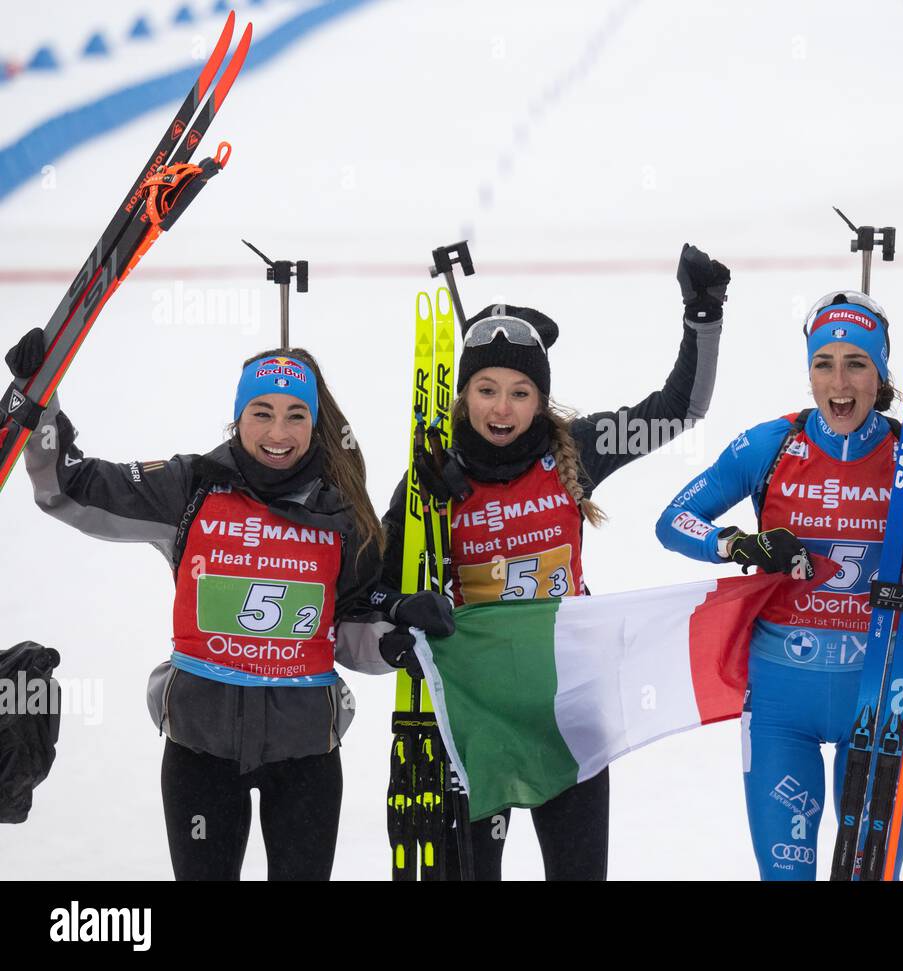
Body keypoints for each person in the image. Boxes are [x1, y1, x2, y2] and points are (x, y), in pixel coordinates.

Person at [6, 332, 445, 880]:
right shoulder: (190, 488)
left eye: (295, 416)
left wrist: (391, 643)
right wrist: (38, 402)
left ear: (315, 424)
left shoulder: (342, 515)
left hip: (306, 755)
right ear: (238, 418)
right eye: (261, 413)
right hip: (200, 749)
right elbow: (71, 488)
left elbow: (349, 626)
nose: (278, 433)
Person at [376, 242, 731, 881]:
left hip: (569, 706)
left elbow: (681, 409)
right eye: (485, 390)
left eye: (519, 392)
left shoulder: (580, 448)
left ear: (541, 399)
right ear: (463, 395)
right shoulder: (428, 477)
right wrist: (399, 619)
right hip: (474, 715)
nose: (501, 408)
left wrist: (701, 314)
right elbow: (371, 590)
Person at [656, 289, 903, 880]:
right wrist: (739, 545)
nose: (839, 382)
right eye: (824, 364)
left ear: (881, 373)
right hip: (779, 703)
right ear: (809, 372)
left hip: (877, 693)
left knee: (866, 874)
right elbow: (673, 520)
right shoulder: (771, 445)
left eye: (857, 363)